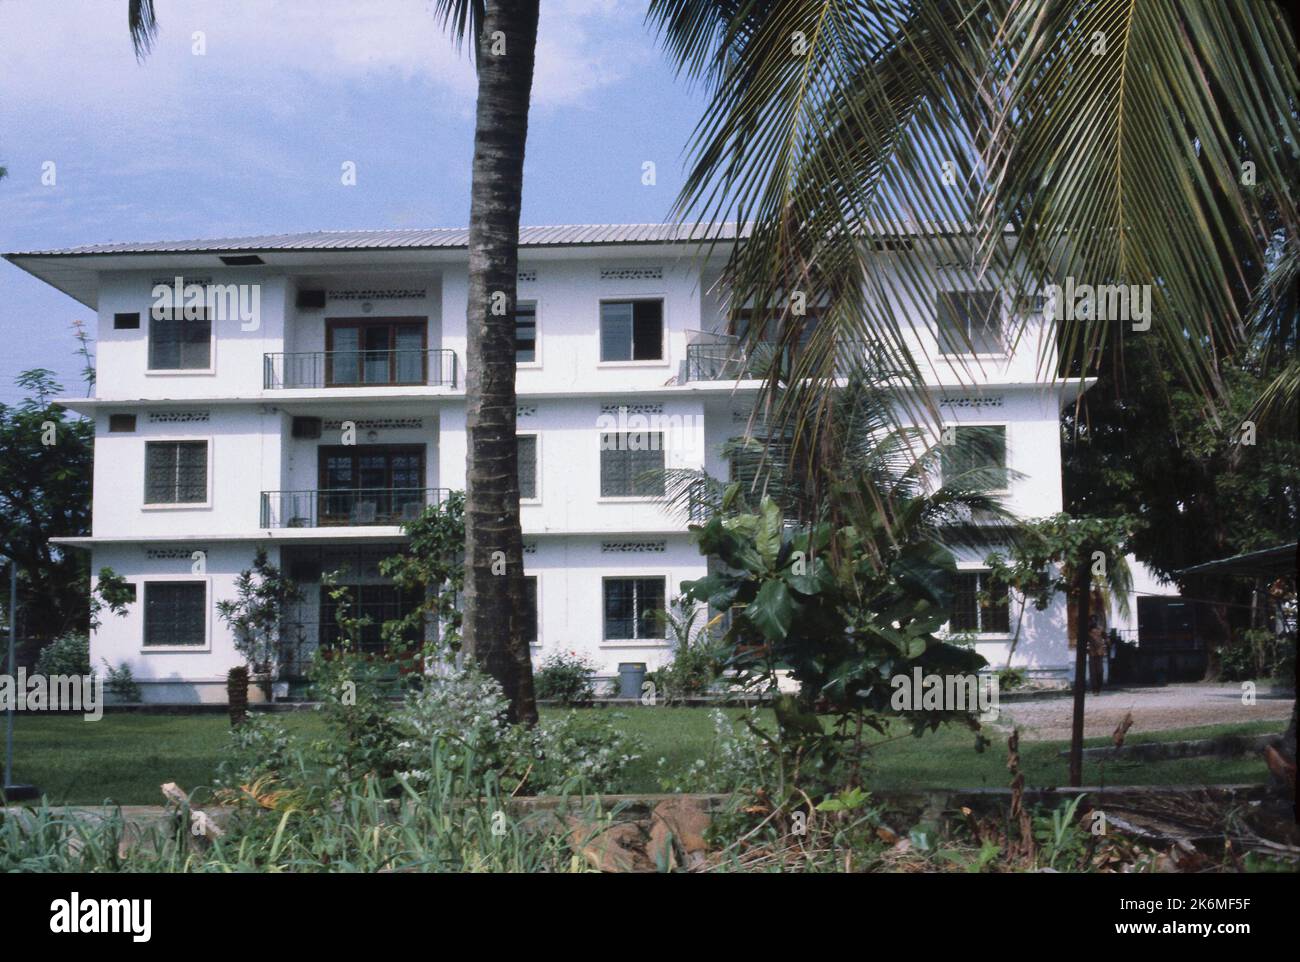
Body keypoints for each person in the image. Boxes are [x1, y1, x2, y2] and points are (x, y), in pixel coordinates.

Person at [1087, 620, 1107, 695]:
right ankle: (1095, 689)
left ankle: (1097, 688)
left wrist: (1105, 645)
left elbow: (1106, 638)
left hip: (1099, 653)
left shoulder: (1100, 630)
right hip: (1092, 654)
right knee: (1093, 672)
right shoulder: (1088, 633)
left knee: (1099, 671)